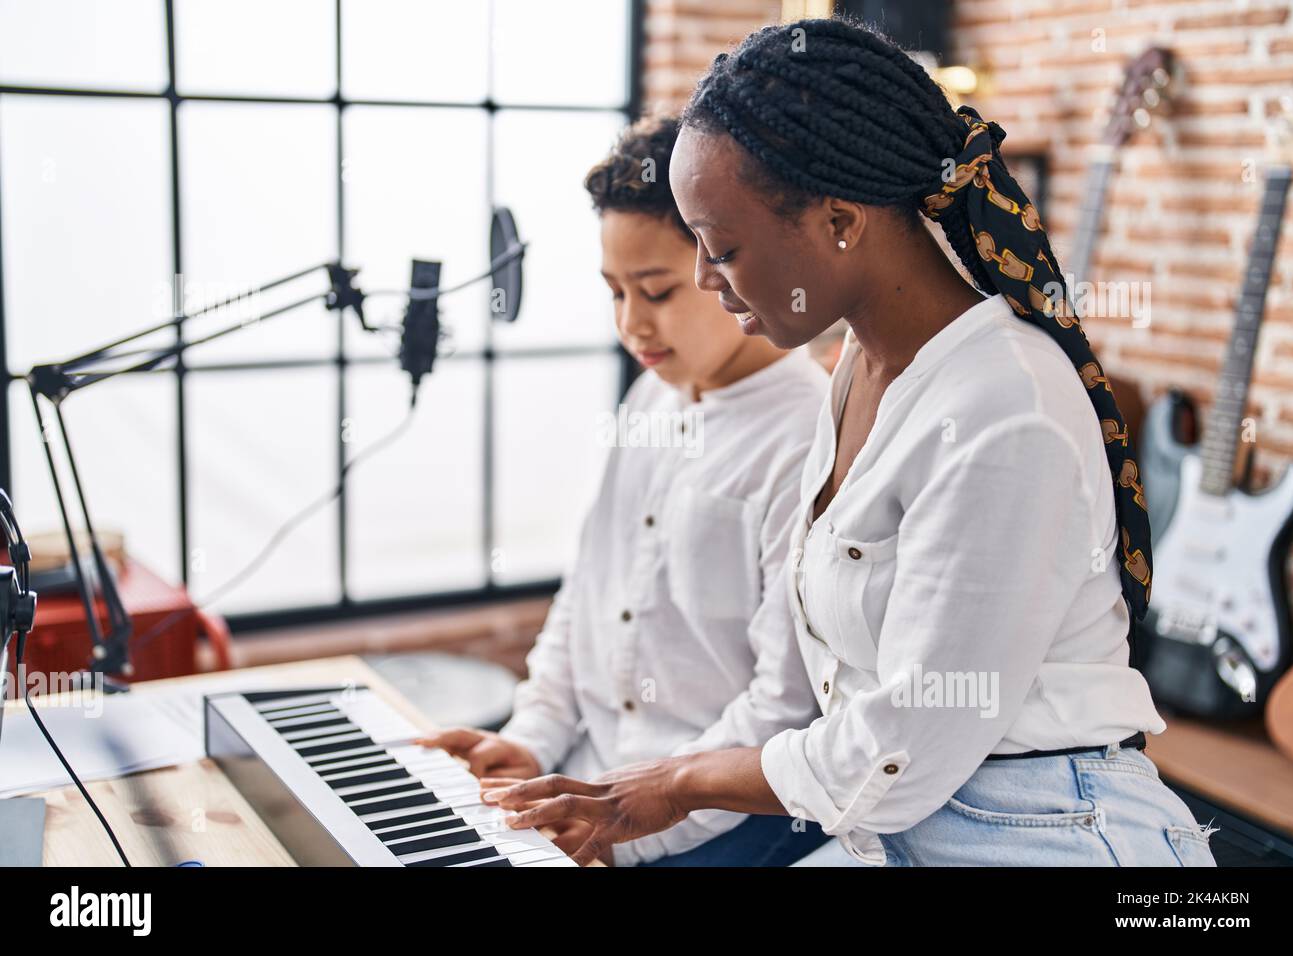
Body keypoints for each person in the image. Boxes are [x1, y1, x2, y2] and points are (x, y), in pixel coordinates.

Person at [483, 18, 1217, 868]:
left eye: (720, 249)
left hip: (1048, 831)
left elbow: (898, 747)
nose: (701, 281)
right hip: (895, 831)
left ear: (839, 222)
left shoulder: (1006, 408)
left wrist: (677, 783)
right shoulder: (861, 367)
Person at [419, 115, 831, 866]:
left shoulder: (809, 436)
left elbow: (788, 706)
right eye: (614, 292)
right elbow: (586, 598)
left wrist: (627, 833)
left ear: (730, 265)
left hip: (719, 823)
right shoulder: (649, 401)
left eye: (657, 290)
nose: (632, 324)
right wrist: (529, 740)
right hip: (592, 786)